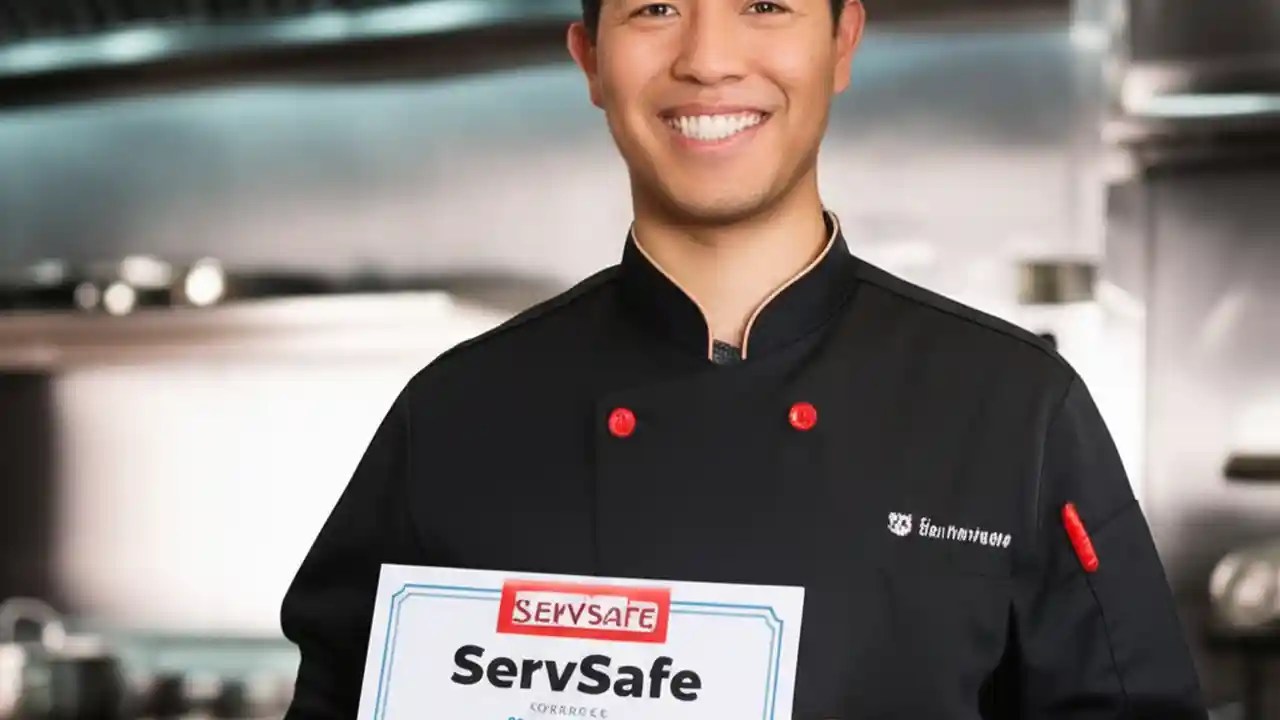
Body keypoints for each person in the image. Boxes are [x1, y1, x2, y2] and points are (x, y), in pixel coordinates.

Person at [280, 0, 1209, 717]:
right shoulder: (455, 415)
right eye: (654, 8)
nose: (709, 58)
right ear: (590, 59)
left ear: (843, 39)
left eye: (764, 3)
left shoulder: (1015, 409)